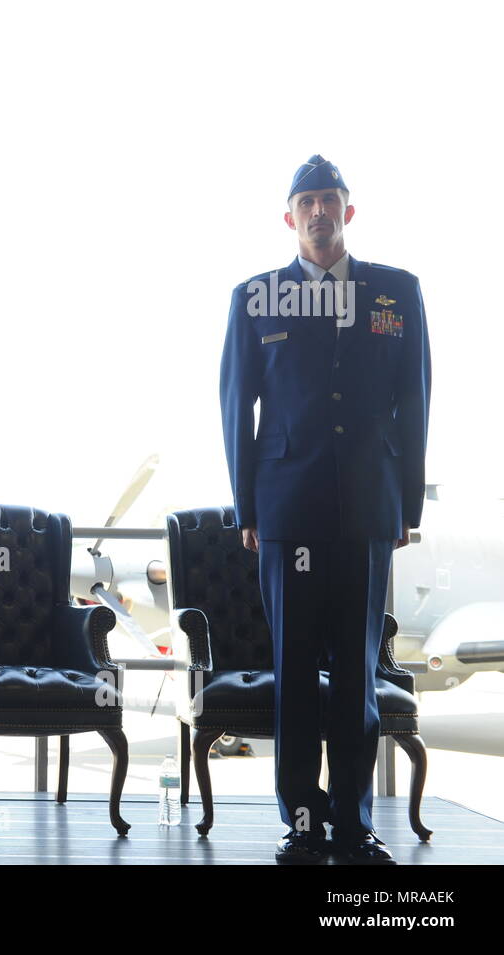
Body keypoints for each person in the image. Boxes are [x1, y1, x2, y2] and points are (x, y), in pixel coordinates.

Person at [220, 155, 431, 865]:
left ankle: (353, 820)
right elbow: (235, 408)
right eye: (305, 200)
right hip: (287, 508)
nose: (318, 211)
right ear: (289, 216)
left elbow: (415, 401)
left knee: (357, 677)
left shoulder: (396, 292)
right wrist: (248, 504)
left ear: (348, 210)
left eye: (329, 199)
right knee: (295, 667)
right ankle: (302, 819)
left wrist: (406, 500)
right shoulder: (256, 297)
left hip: (368, 508)